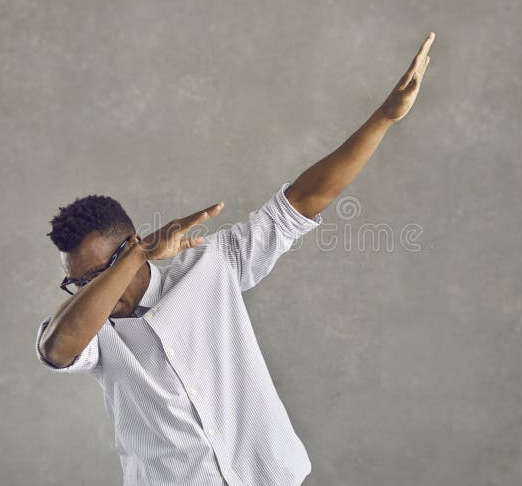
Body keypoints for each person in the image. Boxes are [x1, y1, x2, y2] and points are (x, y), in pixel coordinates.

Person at [35, 32, 435, 486]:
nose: (93, 292)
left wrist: (384, 118)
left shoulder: (209, 267)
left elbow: (303, 201)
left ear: (128, 245)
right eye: (81, 283)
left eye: (99, 274)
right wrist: (134, 258)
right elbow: (57, 349)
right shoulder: (92, 330)